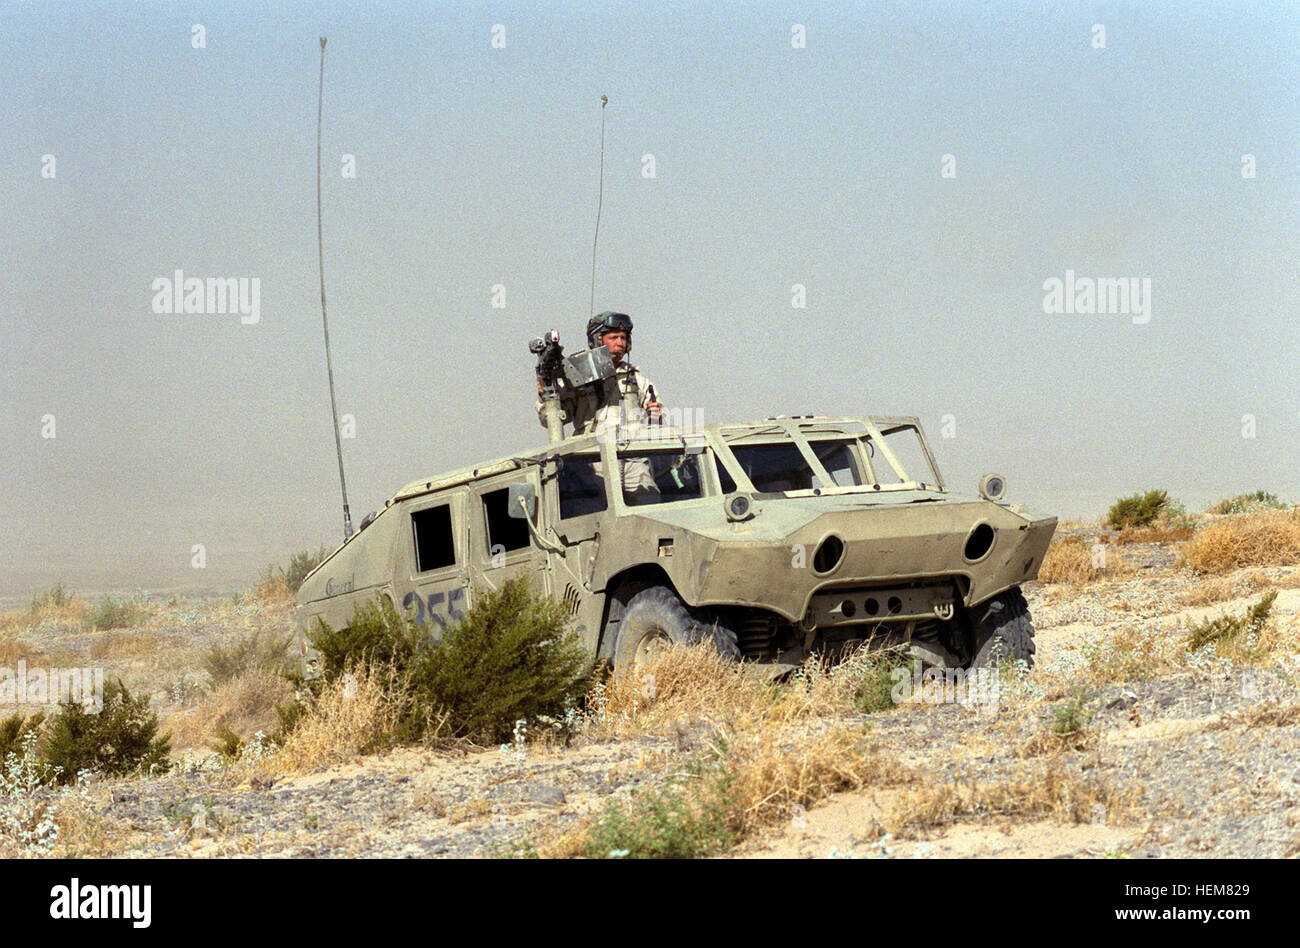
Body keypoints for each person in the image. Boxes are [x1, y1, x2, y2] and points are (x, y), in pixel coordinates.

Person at [536, 311, 665, 436]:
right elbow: (551, 420)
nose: (620, 343)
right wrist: (546, 396)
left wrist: (655, 416)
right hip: (589, 452)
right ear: (597, 340)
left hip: (630, 453)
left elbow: (657, 422)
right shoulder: (578, 375)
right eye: (613, 338)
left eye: (623, 338)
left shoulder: (638, 380)